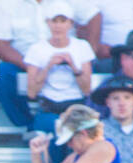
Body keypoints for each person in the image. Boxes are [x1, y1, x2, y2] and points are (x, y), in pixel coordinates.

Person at [24, 0, 94, 135]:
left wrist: (74, 67)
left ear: (70, 24)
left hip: (75, 106)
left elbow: (86, 90)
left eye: (63, 21)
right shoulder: (37, 49)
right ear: (48, 23)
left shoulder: (82, 47)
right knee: (54, 130)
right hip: (49, 106)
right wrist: (48, 67)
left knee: (77, 132)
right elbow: (31, 92)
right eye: (54, 21)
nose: (58, 26)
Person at [0, 0, 58, 128]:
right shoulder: (5, 4)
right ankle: (25, 123)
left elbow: (93, 17)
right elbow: (0, 45)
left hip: (62, 62)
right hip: (23, 63)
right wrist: (31, 66)